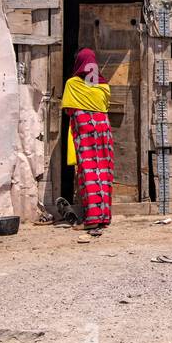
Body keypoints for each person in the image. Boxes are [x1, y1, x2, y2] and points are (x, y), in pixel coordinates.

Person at [61, 47, 114, 235]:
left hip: (85, 132)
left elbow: (69, 109)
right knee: (104, 171)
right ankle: (103, 217)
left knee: (89, 171)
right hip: (104, 132)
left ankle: (92, 219)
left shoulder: (72, 84)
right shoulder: (103, 85)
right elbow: (104, 106)